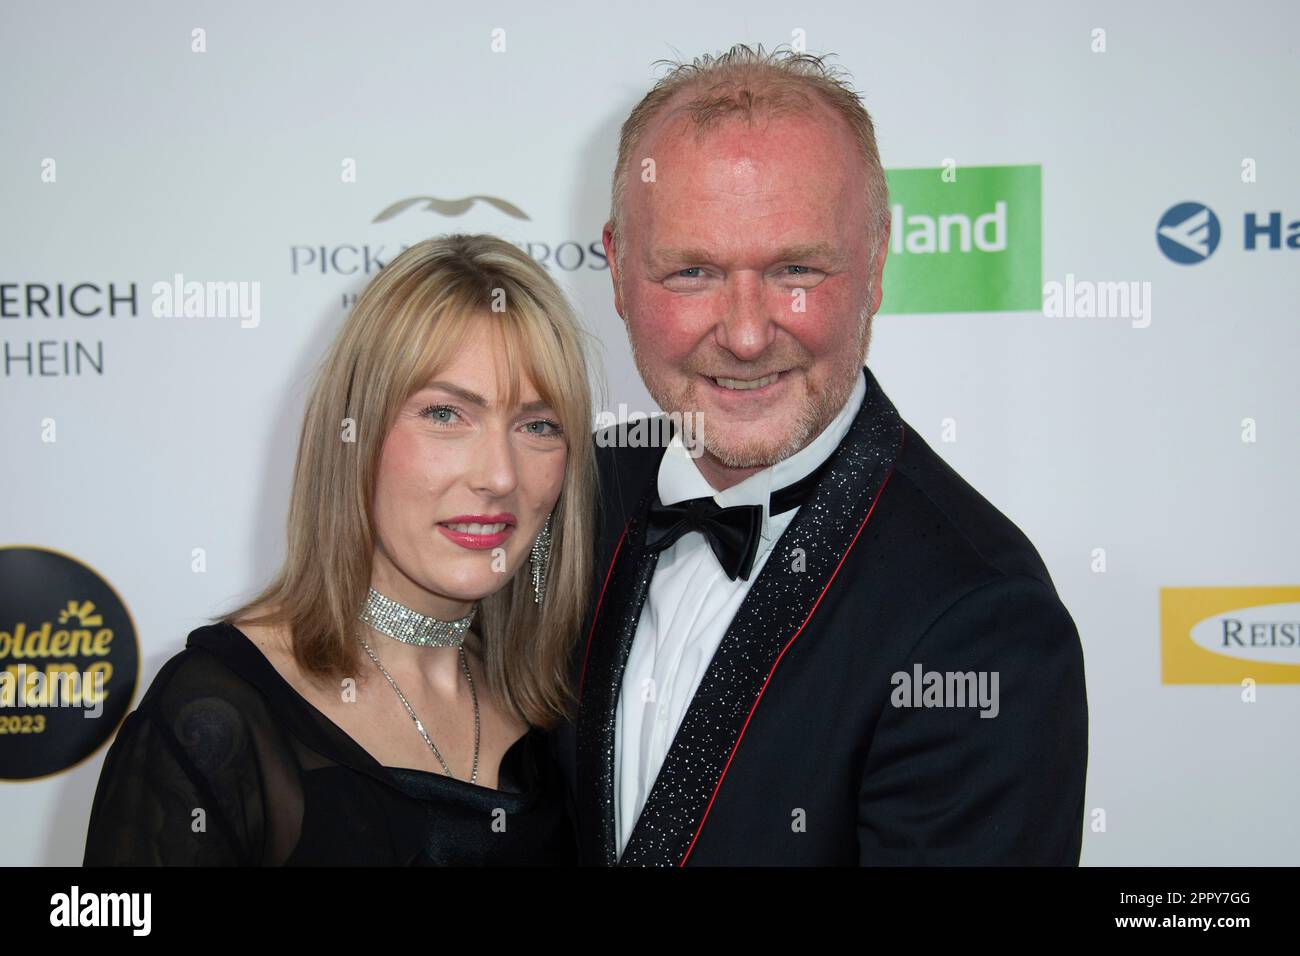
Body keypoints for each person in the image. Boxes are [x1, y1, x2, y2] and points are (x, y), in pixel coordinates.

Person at [550, 44, 1089, 865]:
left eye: (795, 270)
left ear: (875, 263)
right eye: (691, 272)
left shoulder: (981, 620)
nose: (745, 334)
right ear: (619, 269)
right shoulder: (556, 502)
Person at [83, 234, 598, 865]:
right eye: (445, 415)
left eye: (538, 426)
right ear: (354, 436)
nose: (500, 475)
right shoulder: (212, 719)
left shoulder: (562, 716)